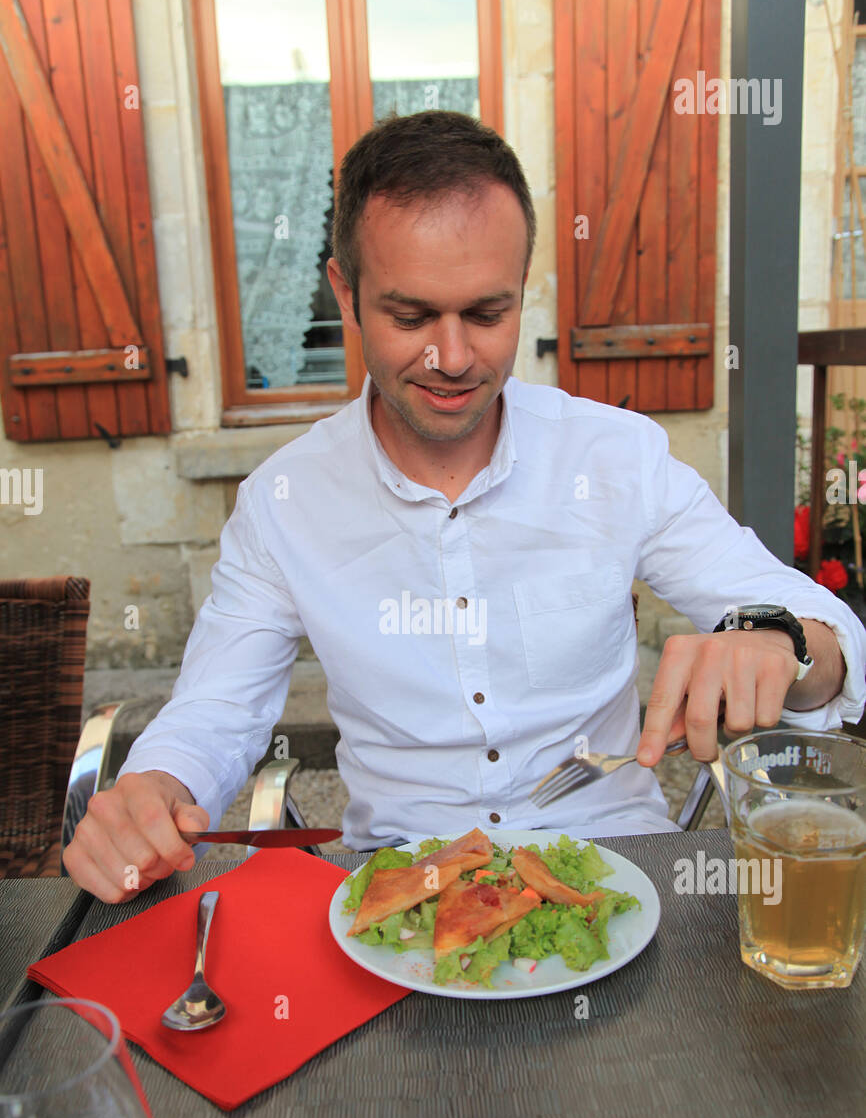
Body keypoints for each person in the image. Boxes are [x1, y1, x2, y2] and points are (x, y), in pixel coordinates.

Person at [64, 111, 866, 904]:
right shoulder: (284, 500)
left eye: (488, 314)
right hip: (403, 898)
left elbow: (828, 641)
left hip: (618, 875)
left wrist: (784, 645)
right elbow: (217, 708)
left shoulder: (616, 458)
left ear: (524, 289)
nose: (451, 359)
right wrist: (152, 787)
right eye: (410, 316)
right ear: (345, 290)